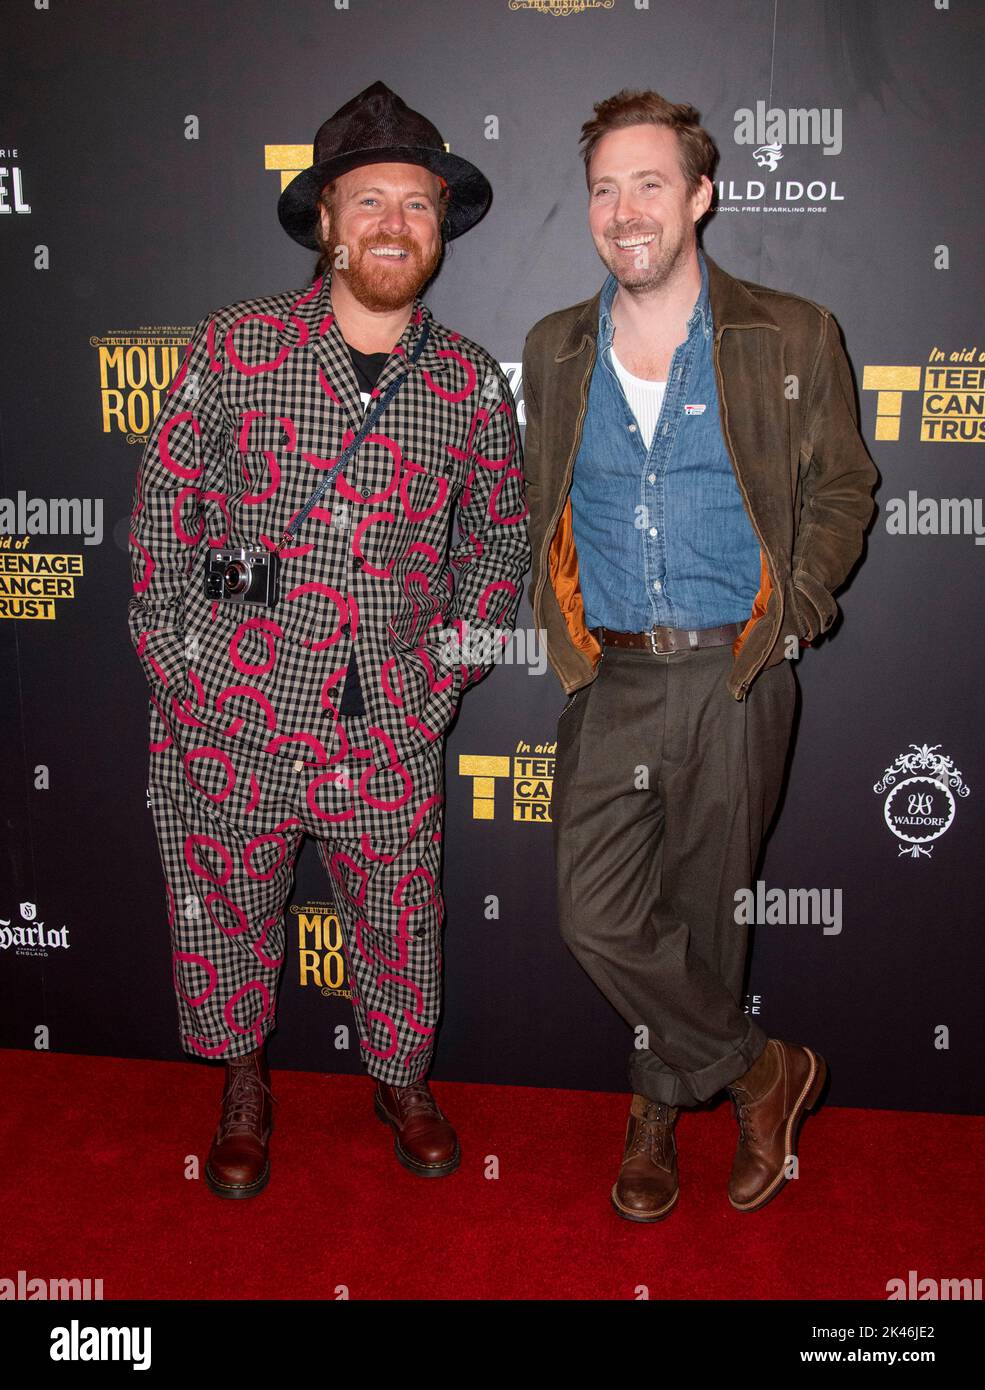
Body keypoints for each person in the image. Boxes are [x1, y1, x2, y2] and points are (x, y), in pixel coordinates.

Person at [128, 81, 529, 1197]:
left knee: (402, 923)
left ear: (440, 225)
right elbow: (163, 517)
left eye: (416, 202)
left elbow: (500, 541)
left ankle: (398, 1078)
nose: (393, 222)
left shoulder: (465, 383)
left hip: (389, 726)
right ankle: (244, 1081)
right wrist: (189, 680)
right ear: (325, 221)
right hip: (234, 714)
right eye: (368, 200)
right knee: (227, 914)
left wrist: (440, 682)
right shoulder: (238, 347)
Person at [521, 89, 877, 1221]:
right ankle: (765, 1072)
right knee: (594, 912)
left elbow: (843, 487)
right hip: (613, 669)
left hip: (735, 668)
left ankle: (655, 1113)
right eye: (605, 189)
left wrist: (798, 607)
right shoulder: (556, 347)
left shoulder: (790, 331)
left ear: (700, 196)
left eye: (650, 183)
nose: (625, 211)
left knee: (708, 909)